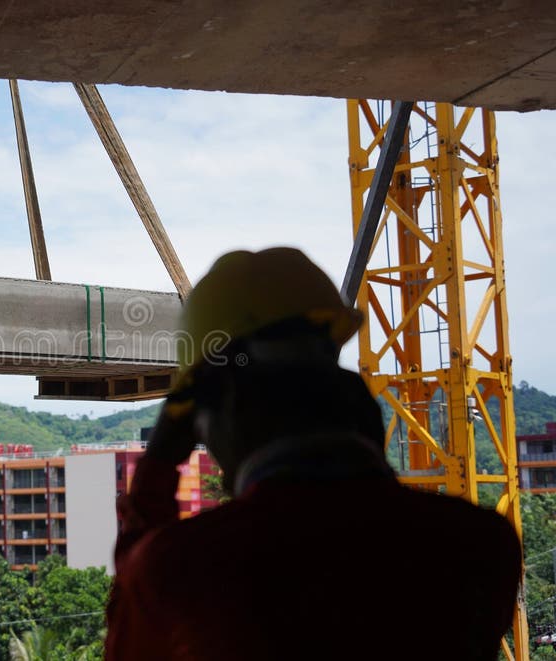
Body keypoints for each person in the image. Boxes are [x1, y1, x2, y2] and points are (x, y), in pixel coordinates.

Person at [105, 247, 522, 661]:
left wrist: (155, 470)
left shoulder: (187, 570)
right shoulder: (481, 545)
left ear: (223, 402)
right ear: (343, 387)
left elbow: (133, 630)